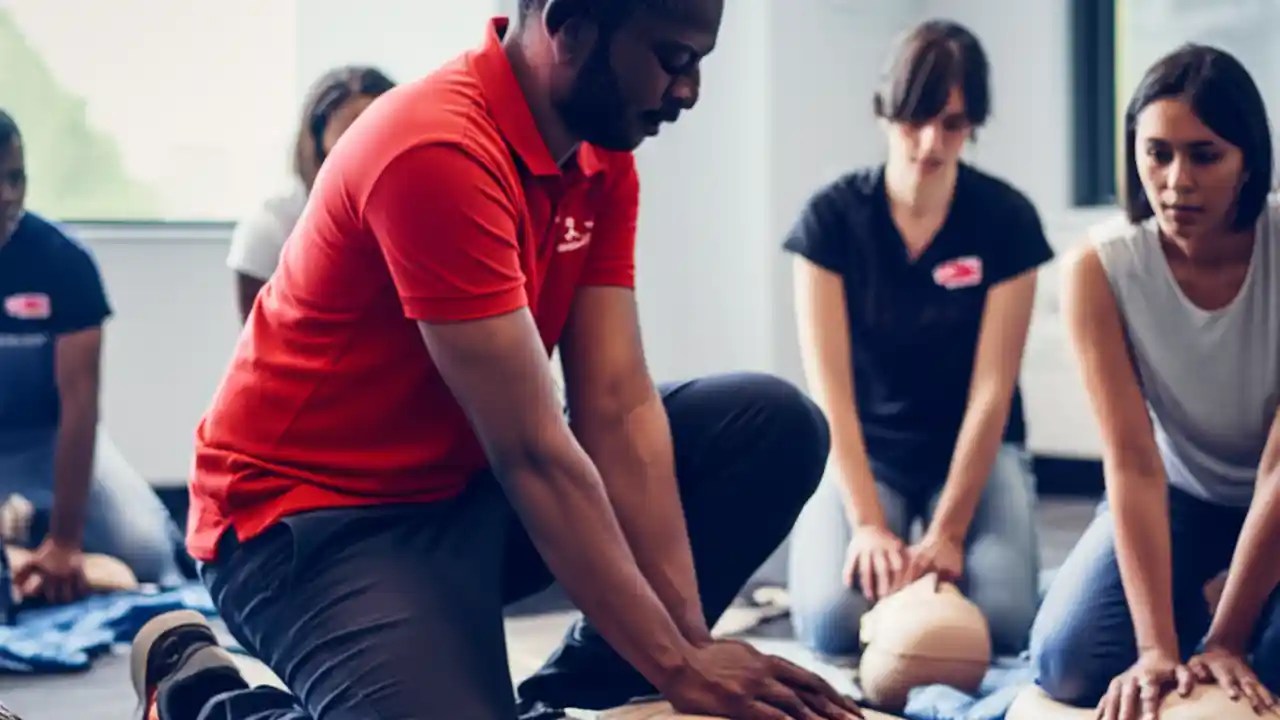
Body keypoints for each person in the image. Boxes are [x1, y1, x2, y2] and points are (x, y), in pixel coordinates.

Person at [132, 4, 863, 720]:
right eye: (673, 59)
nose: (689, 91)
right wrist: (679, 665)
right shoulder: (436, 151)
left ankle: (580, 698)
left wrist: (688, 651)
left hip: (464, 486)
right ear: (571, 29)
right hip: (311, 524)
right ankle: (202, 697)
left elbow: (615, 404)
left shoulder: (599, 154)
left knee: (771, 426)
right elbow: (535, 451)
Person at [783, 19, 1053, 661]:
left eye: (953, 124)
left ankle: (951, 572)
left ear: (973, 125)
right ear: (885, 112)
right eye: (916, 118)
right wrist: (871, 525)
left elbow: (992, 392)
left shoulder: (1007, 221)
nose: (931, 143)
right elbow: (831, 392)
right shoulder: (830, 221)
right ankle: (900, 582)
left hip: (978, 455)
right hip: (869, 451)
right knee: (831, 625)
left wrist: (949, 532)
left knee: (1006, 622)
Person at [1029, 43, 1280, 720]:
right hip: (1178, 496)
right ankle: (1194, 595)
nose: (1175, 181)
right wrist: (1153, 649)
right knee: (1065, 662)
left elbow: (1279, 474)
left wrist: (1227, 639)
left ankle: (1223, 605)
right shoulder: (1099, 270)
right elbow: (1134, 465)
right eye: (1157, 152)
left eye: (1205, 155)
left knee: (1269, 662)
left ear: (1248, 157)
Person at [0, 109, 186, 601]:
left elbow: (79, 405)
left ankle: (32, 544)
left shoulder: (64, 261)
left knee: (147, 554)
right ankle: (17, 551)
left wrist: (65, 540)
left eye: (16, 179)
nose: (7, 196)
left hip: (48, 438)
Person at [225, 65, 395, 323]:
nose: (367, 155)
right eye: (349, 141)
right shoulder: (271, 228)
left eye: (379, 137)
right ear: (316, 147)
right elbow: (256, 342)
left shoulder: (415, 217)